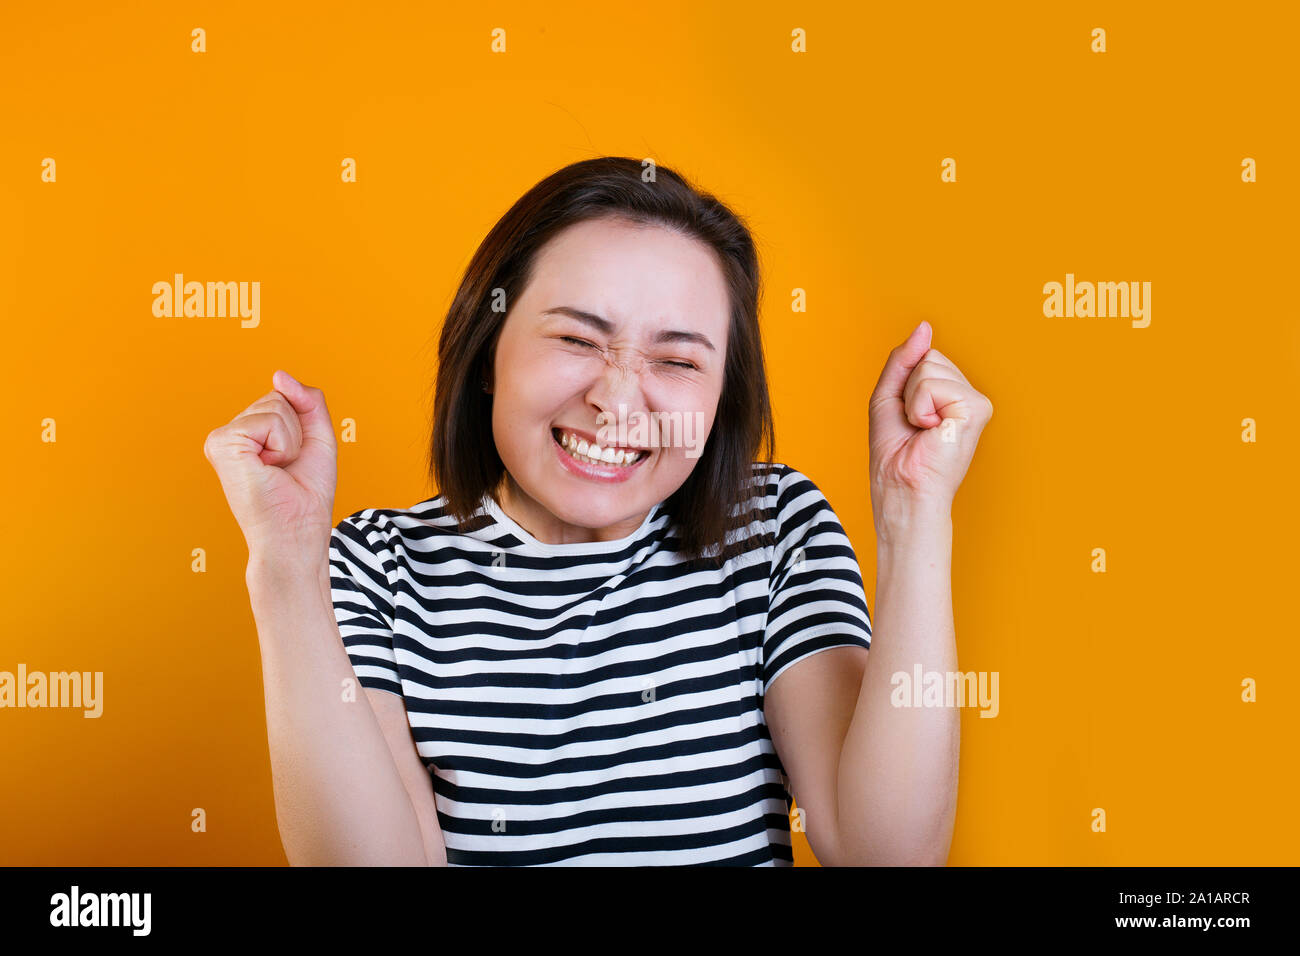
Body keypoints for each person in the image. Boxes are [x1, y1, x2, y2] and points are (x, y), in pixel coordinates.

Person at [204, 156, 993, 866]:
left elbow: (886, 855)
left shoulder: (774, 530)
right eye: (578, 340)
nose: (616, 399)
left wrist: (913, 516)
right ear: (488, 356)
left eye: (677, 360)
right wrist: (285, 566)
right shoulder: (379, 568)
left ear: (722, 399)